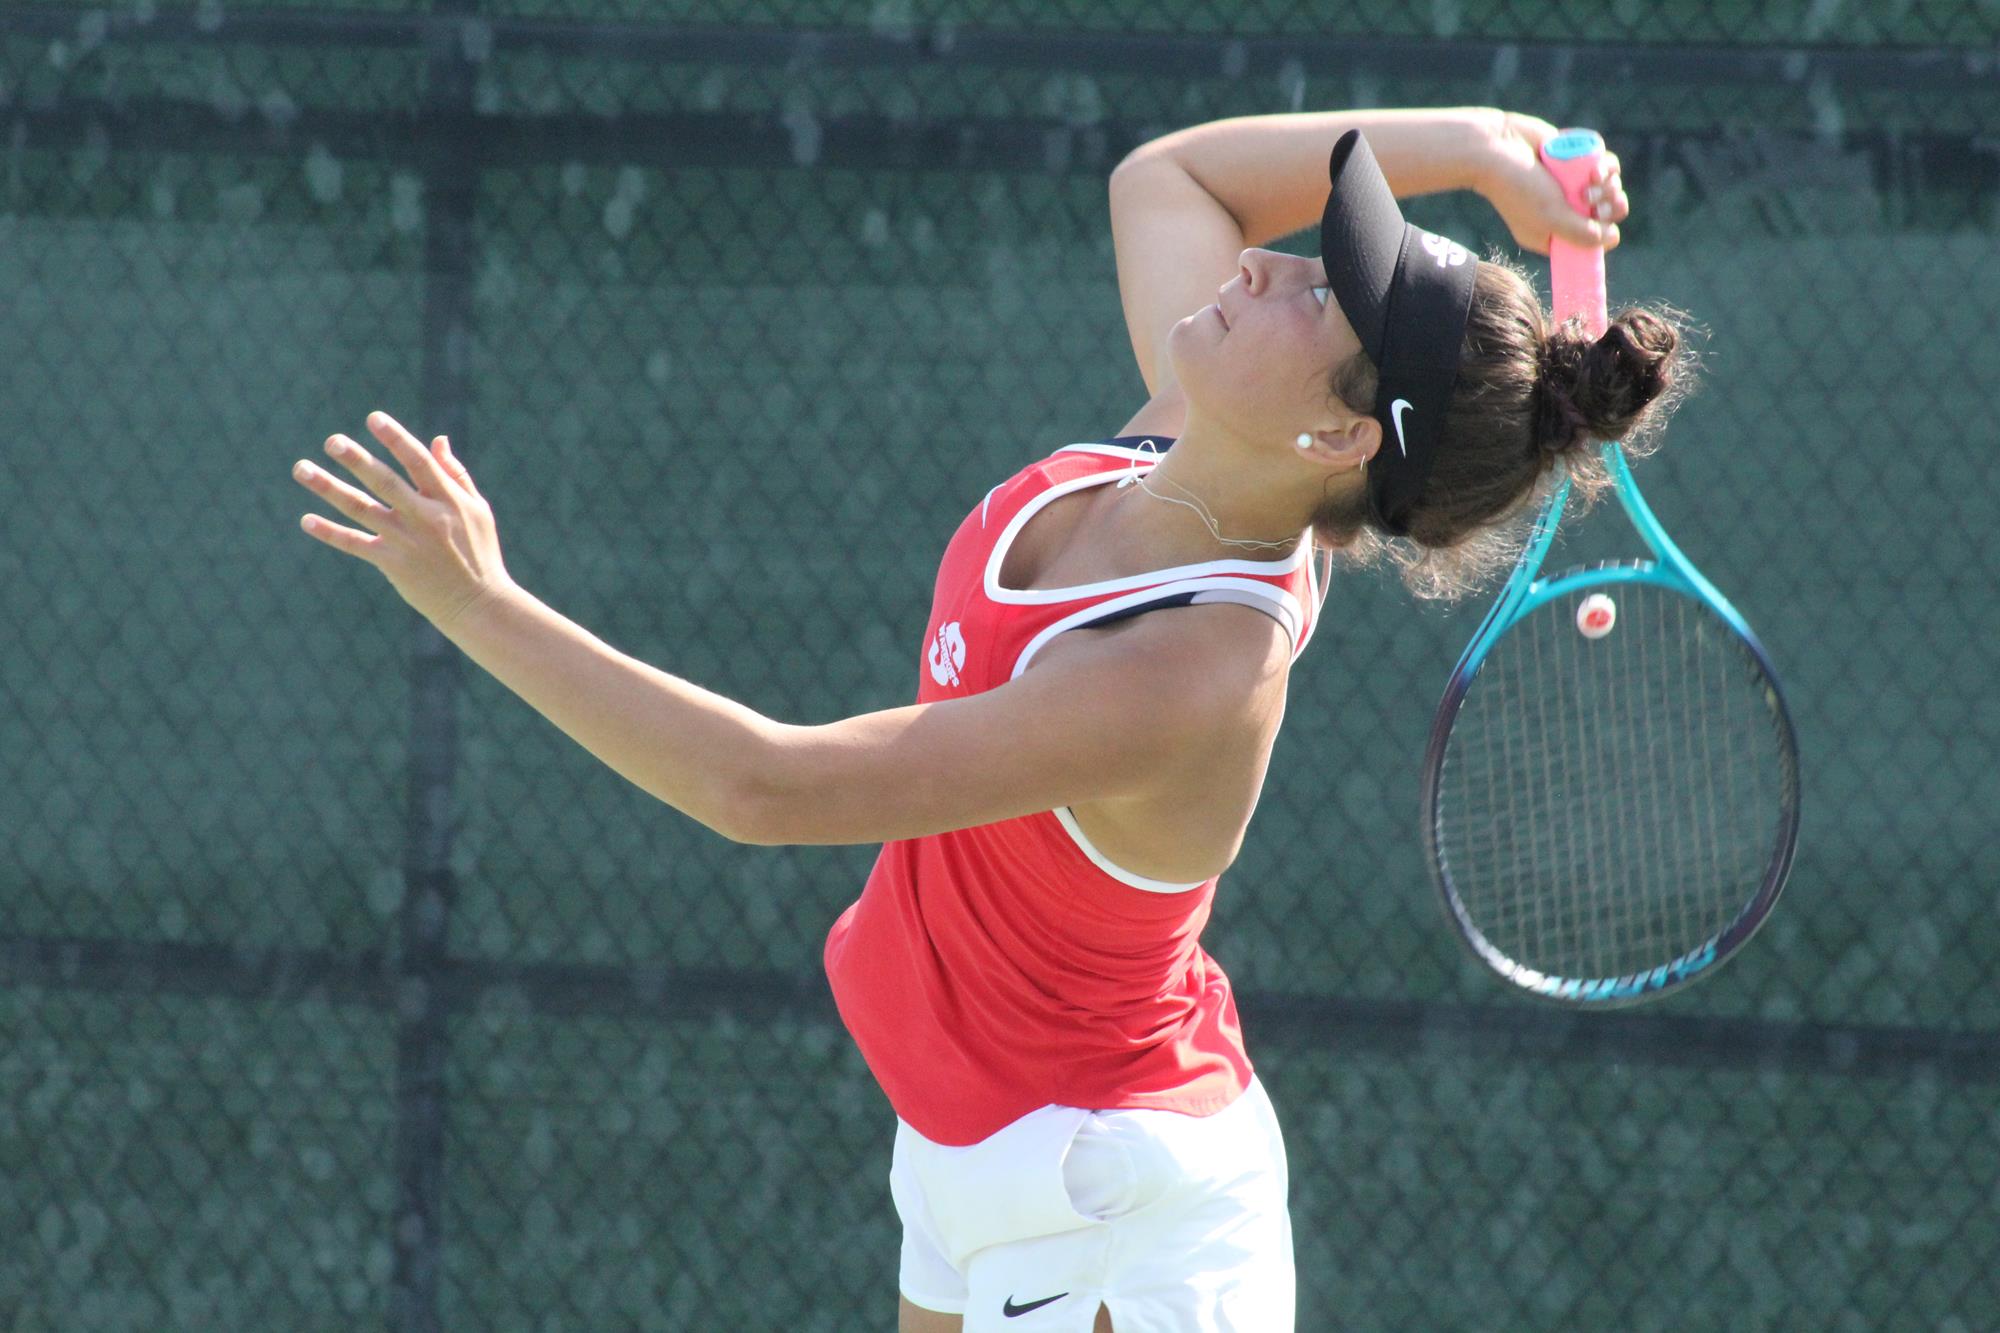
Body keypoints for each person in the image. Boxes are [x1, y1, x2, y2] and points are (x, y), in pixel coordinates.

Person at [291, 105, 1690, 1332]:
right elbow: (1171, 177)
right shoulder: (1184, 436)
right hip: (974, 1135)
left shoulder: (1193, 671)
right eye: (1316, 258)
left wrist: (476, 599)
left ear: (1338, 438)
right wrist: (1481, 148)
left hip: (1108, 1190)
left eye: (1319, 304)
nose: (1265, 265)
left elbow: (764, 789)